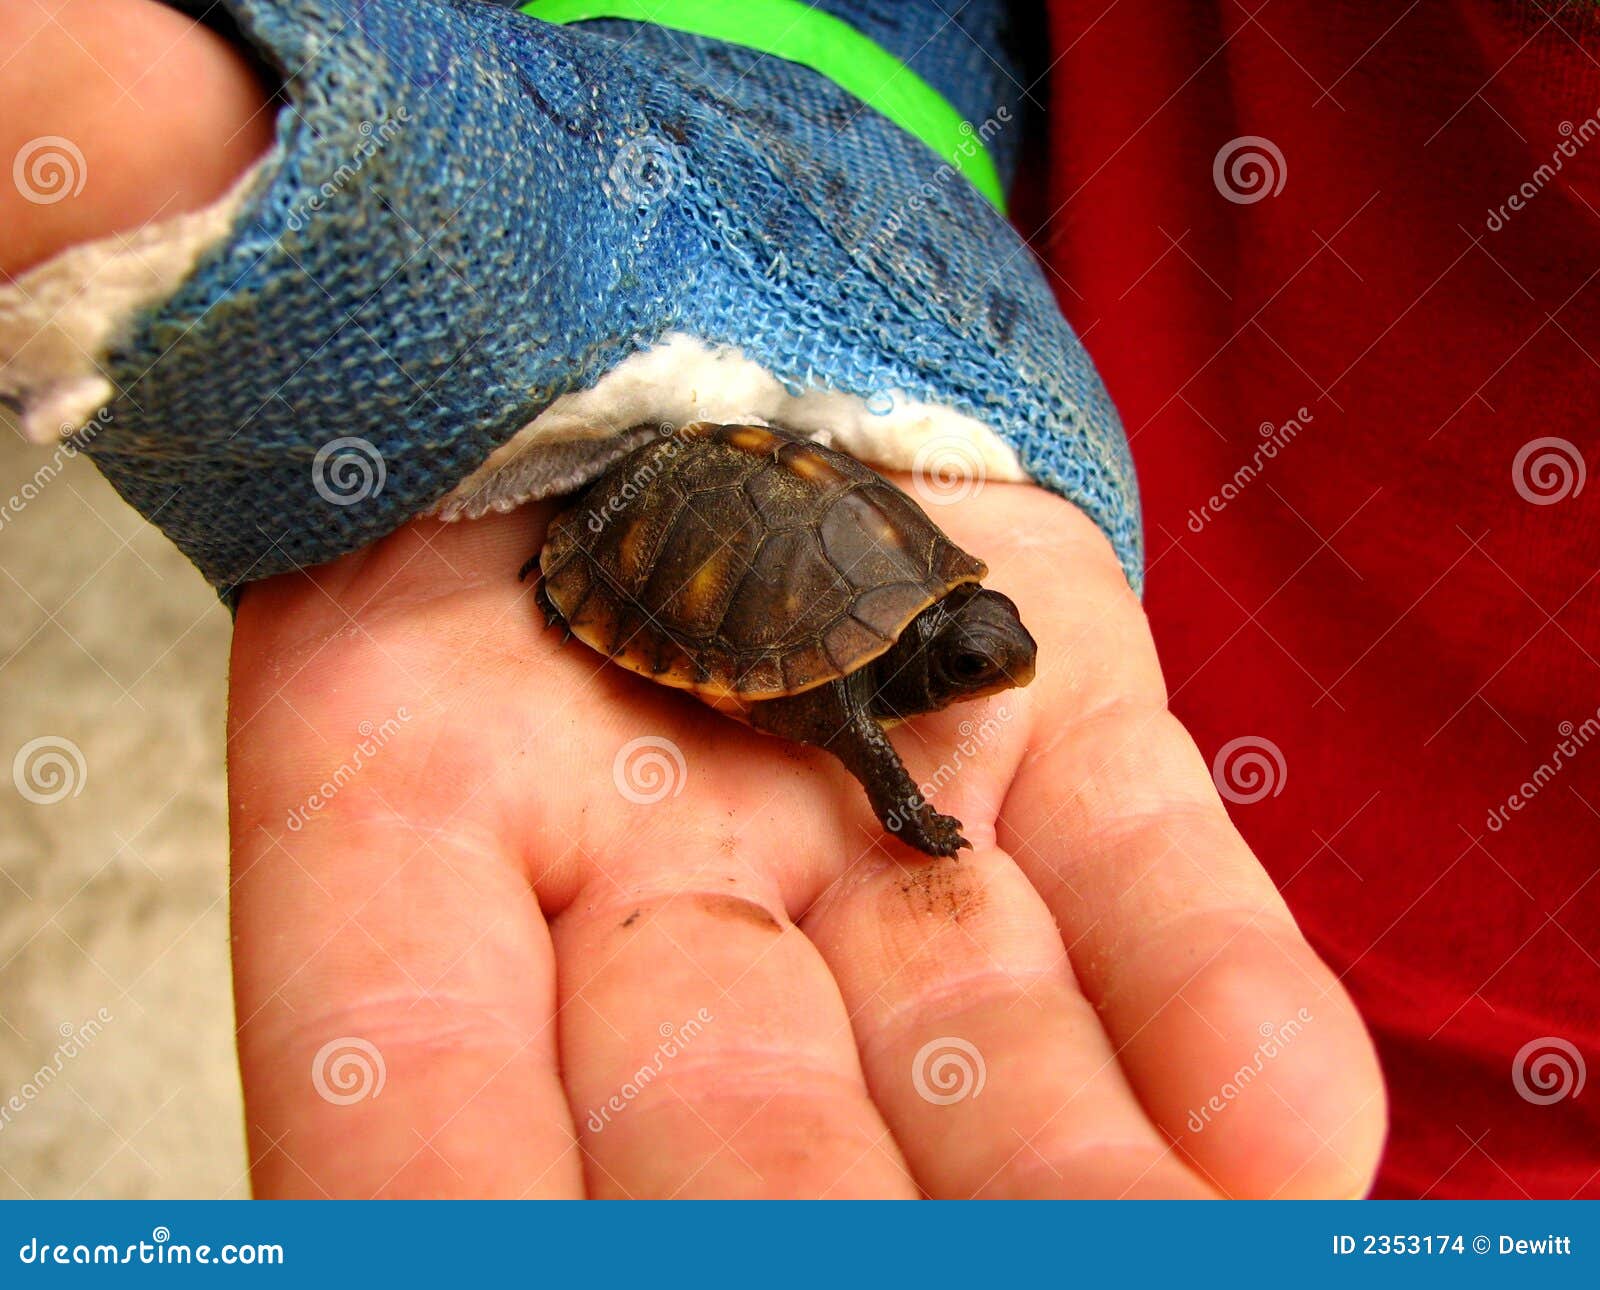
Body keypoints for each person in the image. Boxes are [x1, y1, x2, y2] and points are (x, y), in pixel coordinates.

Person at [27, 0, 1581, 1199]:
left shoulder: (921, 657)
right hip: (1117, 703)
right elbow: (845, 698)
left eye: (978, 648)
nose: (992, 661)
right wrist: (761, 139)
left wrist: (900, 796)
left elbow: (852, 700)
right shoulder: (906, 634)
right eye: (975, 645)